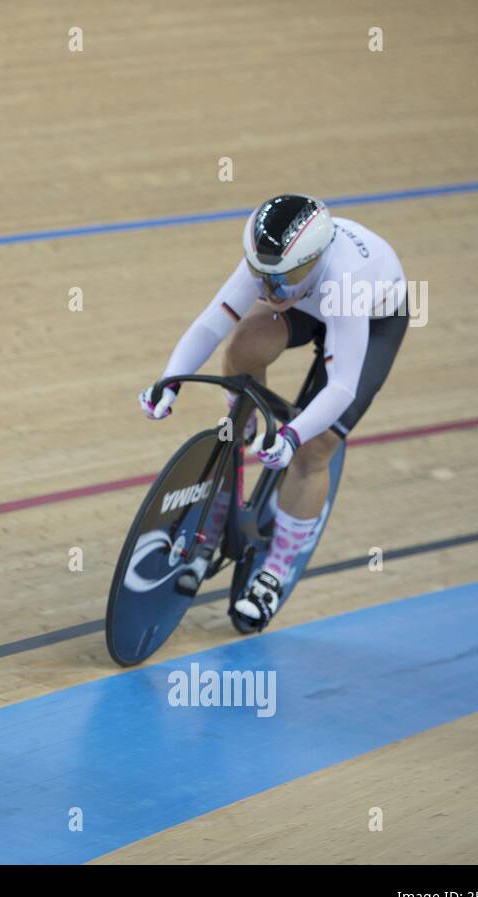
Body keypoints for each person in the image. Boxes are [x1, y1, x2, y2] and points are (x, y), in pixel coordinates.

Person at [140, 194, 408, 630]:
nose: (266, 288)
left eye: (279, 278)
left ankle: (275, 570)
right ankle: (243, 424)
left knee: (316, 449)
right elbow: (213, 323)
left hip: (371, 318)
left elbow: (341, 386)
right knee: (245, 344)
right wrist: (168, 380)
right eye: (260, 275)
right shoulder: (271, 263)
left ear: (313, 259)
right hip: (307, 302)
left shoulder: (344, 278)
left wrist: (292, 436)